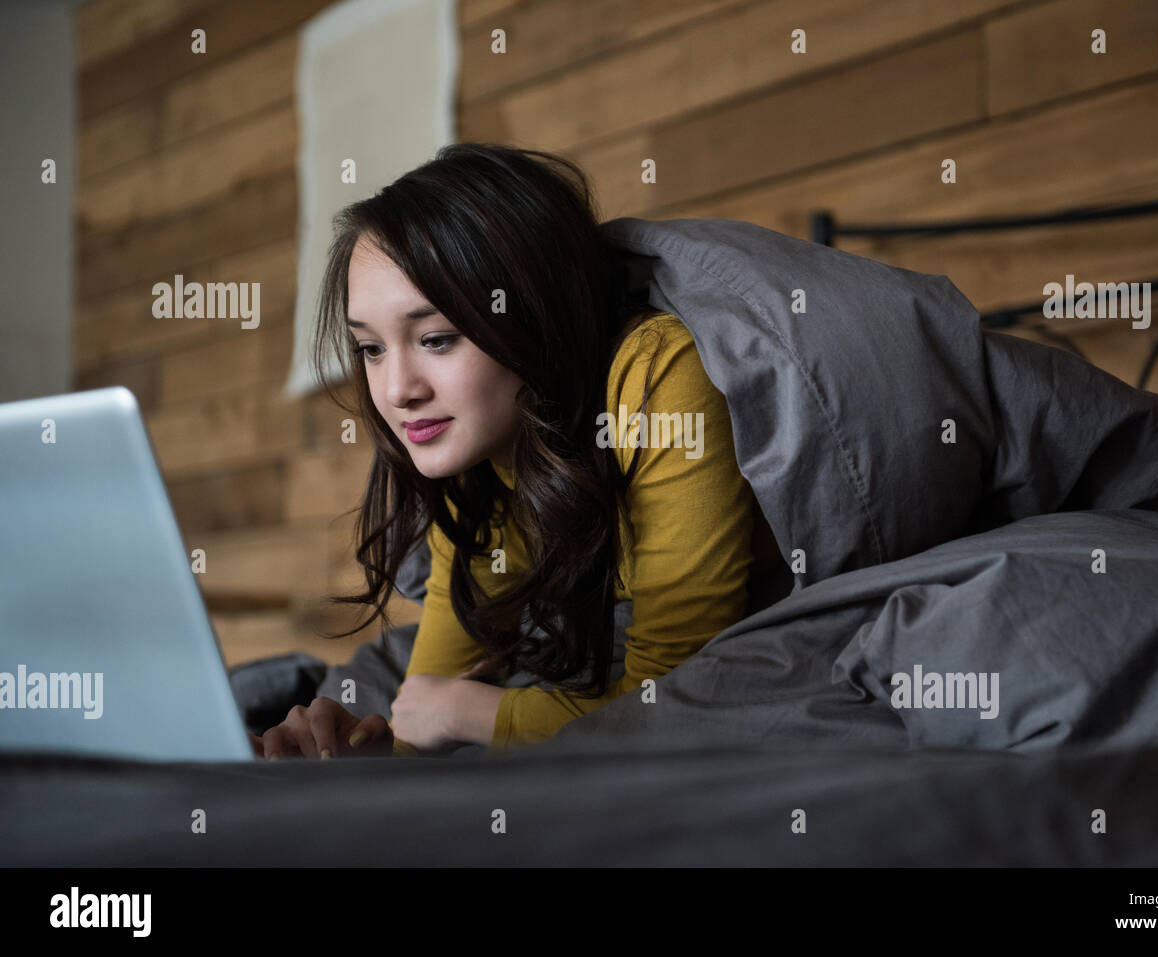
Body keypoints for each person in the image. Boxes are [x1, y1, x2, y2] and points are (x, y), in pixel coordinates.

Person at [253, 143, 782, 760]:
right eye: (371, 349)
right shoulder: (469, 465)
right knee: (344, 684)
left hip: (766, 612)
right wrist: (366, 754)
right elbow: (426, 697)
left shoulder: (657, 374)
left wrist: (478, 713)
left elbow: (667, 706)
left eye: (436, 339)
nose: (398, 391)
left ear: (532, 317)